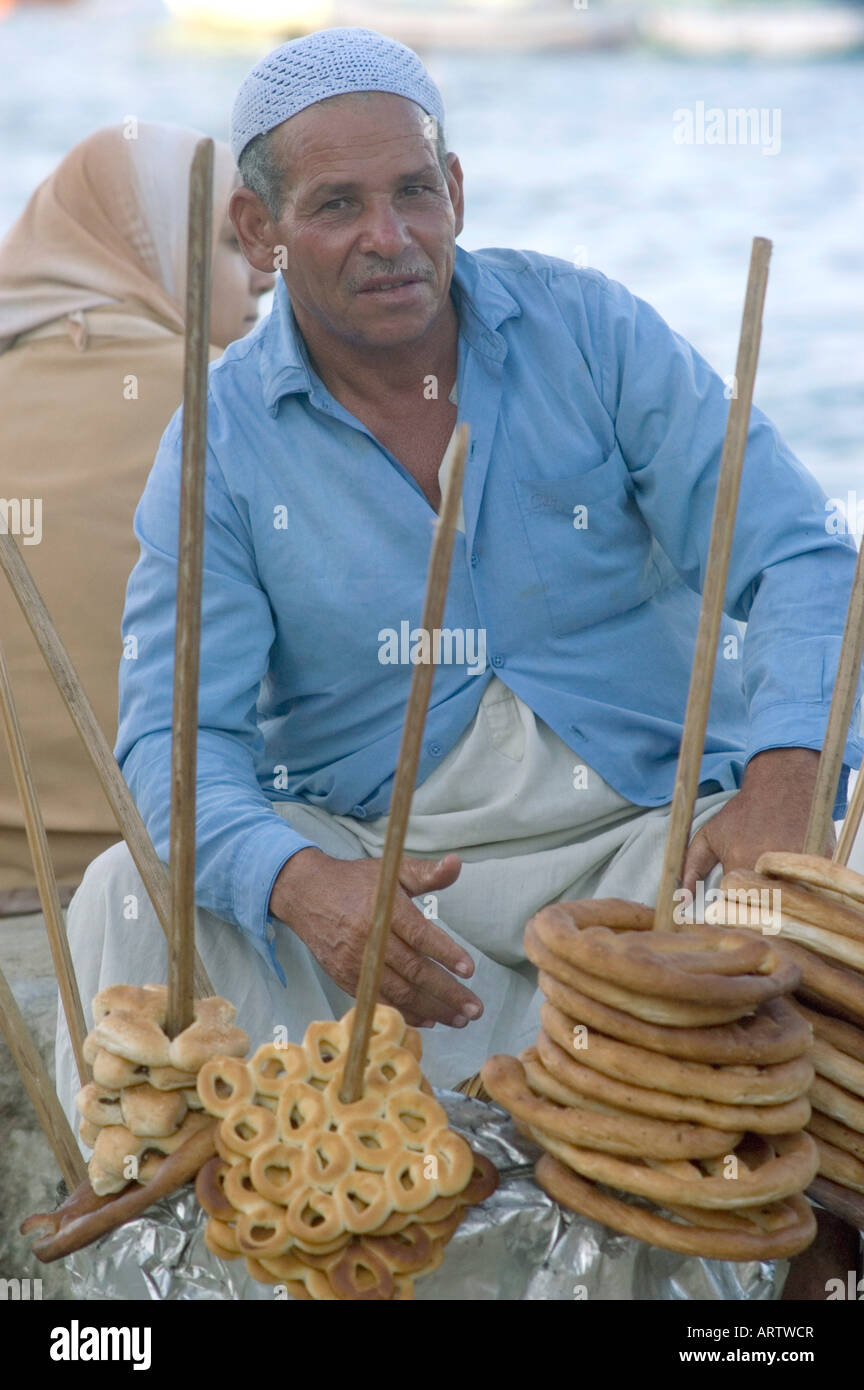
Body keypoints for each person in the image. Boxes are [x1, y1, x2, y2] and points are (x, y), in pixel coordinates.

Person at [56, 32, 862, 1291]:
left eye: (414, 191)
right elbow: (171, 742)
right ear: (258, 230)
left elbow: (805, 554)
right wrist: (296, 879)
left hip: (660, 829)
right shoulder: (219, 441)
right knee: (119, 892)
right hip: (397, 872)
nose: (390, 235)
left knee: (831, 878)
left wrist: (783, 774)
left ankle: (782, 1265)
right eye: (336, 205)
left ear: (460, 194)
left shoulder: (586, 328)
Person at [0, 123, 272, 911]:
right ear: (157, 246)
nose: (264, 271)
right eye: (231, 241)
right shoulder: (239, 406)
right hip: (174, 870)